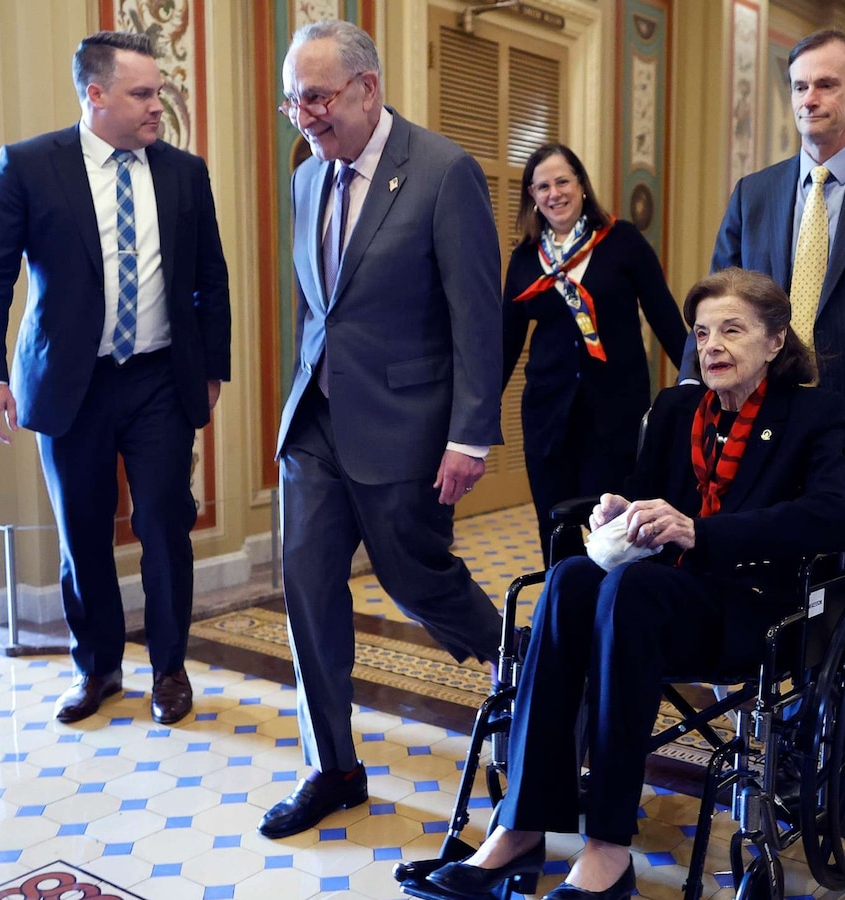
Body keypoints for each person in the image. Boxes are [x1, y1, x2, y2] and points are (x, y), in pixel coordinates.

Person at [424, 268, 845, 900]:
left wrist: (700, 532)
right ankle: (520, 826)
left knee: (629, 593)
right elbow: (646, 495)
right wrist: (621, 510)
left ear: (774, 341)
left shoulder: (812, 413)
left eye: (732, 330)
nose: (712, 346)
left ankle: (607, 849)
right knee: (572, 579)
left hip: (753, 609)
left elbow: (832, 516)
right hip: (659, 600)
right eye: (702, 333)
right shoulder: (679, 409)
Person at [262, 19, 504, 838]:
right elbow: (318, 309)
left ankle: (522, 672)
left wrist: (469, 435)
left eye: (317, 97)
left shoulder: (442, 172)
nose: (304, 116)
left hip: (406, 426)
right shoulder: (306, 176)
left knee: (418, 581)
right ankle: (330, 766)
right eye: (293, 101)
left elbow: (477, 318)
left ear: (367, 88)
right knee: (306, 588)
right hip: (317, 424)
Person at [0, 31, 231, 726]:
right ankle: (98, 669)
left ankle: (169, 670)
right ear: (96, 94)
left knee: (164, 525)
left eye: (159, 91)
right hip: (69, 383)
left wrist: (213, 369)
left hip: (158, 379)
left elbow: (210, 277)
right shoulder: (28, 166)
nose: (157, 105)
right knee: (82, 532)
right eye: (142, 94)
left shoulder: (184, 172)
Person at [679, 29, 845, 537]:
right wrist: (692, 385)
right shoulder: (754, 193)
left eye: (826, 85)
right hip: (753, 415)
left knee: (832, 566)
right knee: (742, 552)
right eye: (799, 87)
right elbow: (715, 303)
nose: (809, 99)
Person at [503, 143, 687, 559]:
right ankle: (563, 599)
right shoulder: (525, 258)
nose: (554, 193)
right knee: (555, 530)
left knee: (615, 534)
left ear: (581, 185)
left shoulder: (623, 240)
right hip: (548, 419)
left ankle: (611, 602)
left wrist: (698, 382)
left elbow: (665, 318)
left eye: (562, 181)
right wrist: (474, 420)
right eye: (543, 186)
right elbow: (505, 342)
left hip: (615, 415)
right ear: (532, 195)